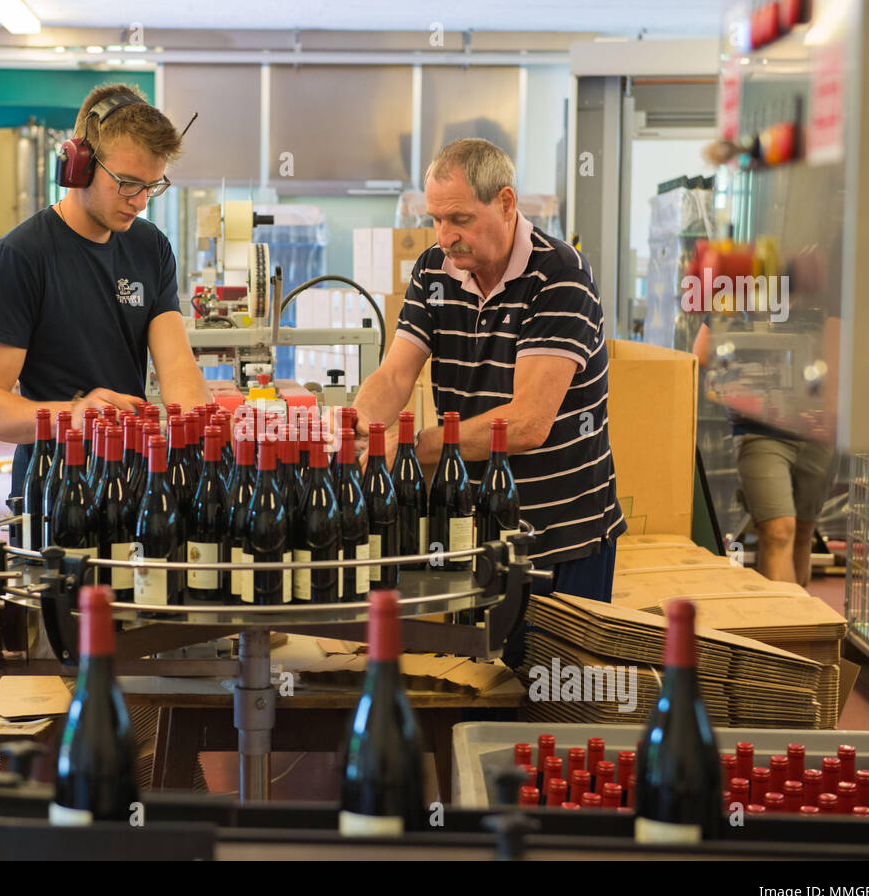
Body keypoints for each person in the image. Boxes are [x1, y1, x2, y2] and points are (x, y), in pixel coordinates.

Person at [349, 139, 626, 644]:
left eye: (459, 219)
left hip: (561, 532)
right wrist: (357, 426)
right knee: (478, 676)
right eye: (435, 220)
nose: (445, 236)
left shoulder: (560, 278)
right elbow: (394, 376)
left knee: (552, 692)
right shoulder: (434, 268)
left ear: (505, 202)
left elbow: (527, 423)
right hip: (473, 524)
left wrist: (413, 447)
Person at [0, 83, 210, 498]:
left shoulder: (150, 247)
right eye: (128, 183)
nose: (140, 202)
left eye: (152, 186)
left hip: (134, 480)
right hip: (54, 489)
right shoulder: (19, 257)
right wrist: (75, 415)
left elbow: (178, 370)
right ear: (78, 165)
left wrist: (201, 432)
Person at [693, 316, 837, 585]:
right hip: (760, 430)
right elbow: (701, 352)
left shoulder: (823, 284)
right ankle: (786, 624)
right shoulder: (742, 287)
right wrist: (742, 383)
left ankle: (799, 622)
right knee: (778, 532)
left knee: (803, 534)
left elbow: (843, 342)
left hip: (817, 431)